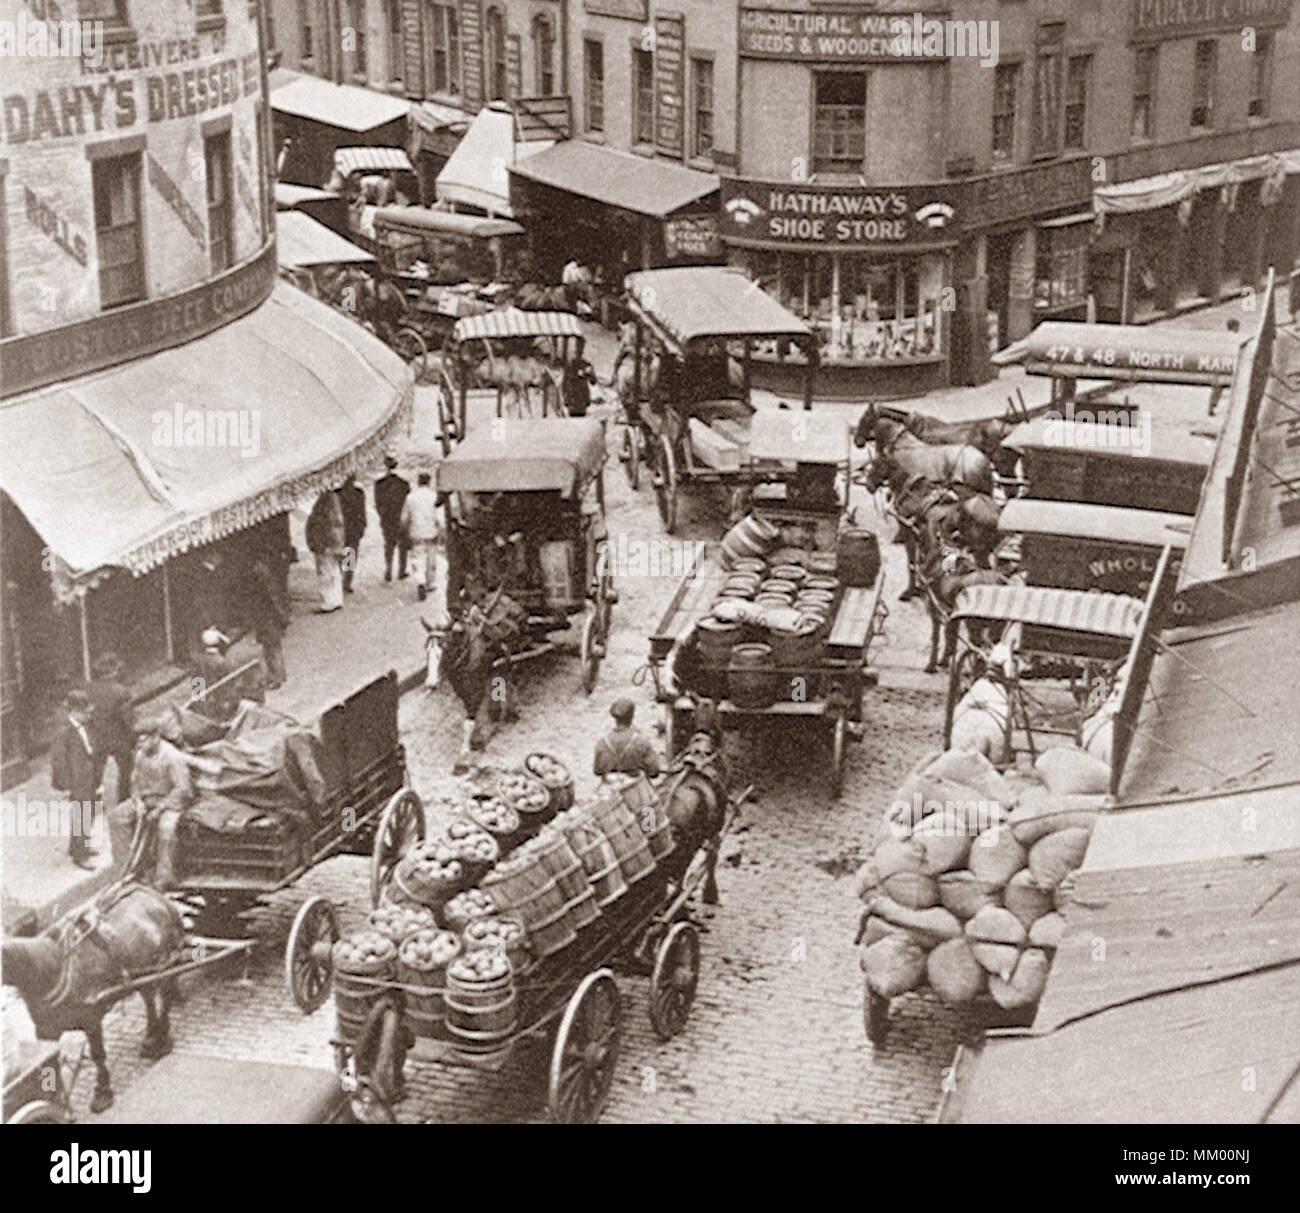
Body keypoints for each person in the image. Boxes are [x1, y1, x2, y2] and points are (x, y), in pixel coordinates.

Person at [116, 711, 195, 889]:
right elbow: (134, 783)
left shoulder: (172, 757)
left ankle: (164, 877)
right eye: (139, 740)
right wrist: (138, 802)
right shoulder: (140, 755)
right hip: (147, 800)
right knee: (118, 816)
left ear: (157, 737)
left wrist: (160, 809)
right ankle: (127, 869)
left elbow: (183, 789)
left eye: (145, 739)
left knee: (166, 829)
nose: (141, 743)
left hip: (170, 803)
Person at [51, 688, 99, 868]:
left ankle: (78, 846)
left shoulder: (81, 726)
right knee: (82, 814)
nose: (89, 715)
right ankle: (80, 856)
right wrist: (67, 786)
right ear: (76, 712)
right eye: (86, 712)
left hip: (87, 777)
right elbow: (59, 761)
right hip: (77, 781)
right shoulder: (64, 731)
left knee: (89, 811)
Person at [86, 652, 135, 806]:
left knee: (95, 772)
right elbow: (129, 721)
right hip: (118, 738)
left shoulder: (89, 689)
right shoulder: (121, 691)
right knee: (126, 769)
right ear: (113, 671)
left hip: (96, 736)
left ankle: (88, 805)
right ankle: (124, 802)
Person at [247, 559, 290, 690]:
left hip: (268, 621)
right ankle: (279, 674)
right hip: (271, 620)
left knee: (271, 648)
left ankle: (275, 676)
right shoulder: (270, 584)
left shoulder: (263, 592)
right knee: (274, 647)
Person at [593, 699, 662, 780]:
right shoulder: (641, 742)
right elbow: (654, 772)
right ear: (632, 716)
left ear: (615, 718)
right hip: (633, 788)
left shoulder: (602, 742)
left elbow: (597, 771)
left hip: (609, 789)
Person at [401, 471, 441, 603]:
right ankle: (430, 583)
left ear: (418, 481)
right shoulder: (434, 496)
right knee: (431, 560)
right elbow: (439, 517)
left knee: (418, 559)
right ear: (429, 482)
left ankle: (420, 580)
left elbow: (404, 518)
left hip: (416, 533)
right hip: (431, 532)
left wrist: (404, 531)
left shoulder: (411, 497)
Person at [306, 488, 345, 612]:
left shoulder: (324, 503)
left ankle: (329, 601)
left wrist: (316, 543)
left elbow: (319, 524)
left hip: (327, 542)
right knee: (335, 569)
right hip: (338, 539)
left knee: (326, 571)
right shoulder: (336, 500)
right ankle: (339, 594)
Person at [374, 456, 410, 582]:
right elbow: (407, 504)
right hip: (400, 518)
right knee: (402, 545)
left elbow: (378, 504)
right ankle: (401, 569)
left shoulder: (379, 484)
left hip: (387, 519)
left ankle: (346, 579)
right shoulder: (404, 484)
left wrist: (383, 516)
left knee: (389, 545)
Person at [337, 474, 367, 594]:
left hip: (341, 529)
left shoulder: (337, 494)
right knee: (350, 556)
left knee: (340, 556)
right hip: (353, 529)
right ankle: (346, 582)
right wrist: (362, 527)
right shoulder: (359, 493)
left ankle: (340, 581)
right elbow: (362, 512)